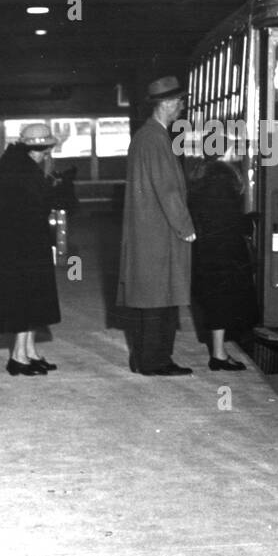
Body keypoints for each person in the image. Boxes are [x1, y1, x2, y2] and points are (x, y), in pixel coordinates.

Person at [117, 76, 196, 376]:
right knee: (159, 300)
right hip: (158, 234)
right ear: (166, 104)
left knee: (153, 298)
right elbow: (168, 190)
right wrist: (184, 226)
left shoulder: (146, 137)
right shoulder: (155, 139)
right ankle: (155, 361)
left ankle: (144, 359)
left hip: (149, 232)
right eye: (179, 102)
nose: (181, 107)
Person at [0, 122, 62, 376]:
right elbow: (32, 202)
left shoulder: (19, 163)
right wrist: (55, 190)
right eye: (44, 149)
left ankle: (29, 351)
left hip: (29, 239)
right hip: (21, 242)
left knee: (33, 297)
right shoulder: (18, 167)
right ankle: (18, 357)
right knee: (24, 298)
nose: (46, 155)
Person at [186, 147, 256, 370]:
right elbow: (228, 220)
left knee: (215, 303)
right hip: (223, 254)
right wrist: (251, 222)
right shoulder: (222, 179)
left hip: (205, 252)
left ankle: (219, 353)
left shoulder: (201, 177)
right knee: (222, 303)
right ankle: (218, 355)